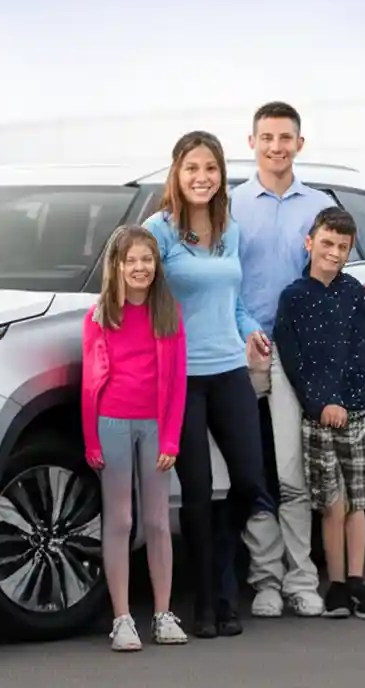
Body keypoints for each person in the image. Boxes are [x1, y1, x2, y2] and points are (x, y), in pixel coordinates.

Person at [143, 130, 279, 639]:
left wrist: (252, 333)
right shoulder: (157, 232)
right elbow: (138, 294)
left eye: (211, 169)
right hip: (180, 376)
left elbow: (236, 303)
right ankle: (206, 600)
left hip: (228, 370)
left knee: (250, 482)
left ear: (222, 176)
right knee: (196, 492)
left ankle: (221, 574)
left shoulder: (231, 229)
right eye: (192, 168)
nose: (202, 178)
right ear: (176, 173)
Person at [230, 100, 336, 618]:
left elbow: (332, 274)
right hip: (242, 352)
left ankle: (301, 580)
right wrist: (246, 330)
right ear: (251, 143)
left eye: (285, 138)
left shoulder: (317, 207)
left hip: (295, 358)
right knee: (252, 474)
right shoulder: (229, 206)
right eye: (266, 138)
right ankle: (265, 581)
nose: (276, 147)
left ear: (299, 143)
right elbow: (221, 281)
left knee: (293, 474)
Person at [272, 207, 365, 620]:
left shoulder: (355, 294)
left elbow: (360, 353)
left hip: (353, 412)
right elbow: (294, 360)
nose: (334, 253)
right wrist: (320, 404)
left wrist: (349, 402)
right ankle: (335, 584)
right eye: (327, 244)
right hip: (317, 416)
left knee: (358, 501)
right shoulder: (293, 298)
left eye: (342, 247)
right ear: (310, 243)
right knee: (331, 503)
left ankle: (358, 582)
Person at [81, 224, 191, 651]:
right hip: (112, 423)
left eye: (147, 259)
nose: (140, 267)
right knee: (121, 520)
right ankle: (122, 618)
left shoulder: (168, 313)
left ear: (156, 264)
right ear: (118, 266)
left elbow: (178, 382)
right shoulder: (100, 315)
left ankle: (163, 614)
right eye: (132, 261)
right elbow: (91, 382)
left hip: (155, 426)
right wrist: (91, 438)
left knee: (158, 520)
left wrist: (171, 440)